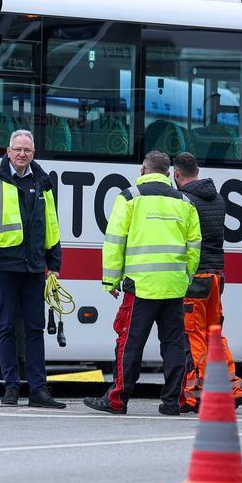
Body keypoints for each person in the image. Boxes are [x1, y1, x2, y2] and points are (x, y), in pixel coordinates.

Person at [84, 151, 200, 416]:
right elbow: (194, 247)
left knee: (130, 343)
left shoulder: (129, 198)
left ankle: (117, 400)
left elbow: (114, 242)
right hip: (173, 286)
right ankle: (171, 402)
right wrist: (186, 278)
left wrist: (111, 280)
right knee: (173, 344)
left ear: (143, 171)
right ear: (169, 173)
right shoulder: (184, 202)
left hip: (140, 286)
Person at [0, 129, 66, 408]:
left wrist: (54, 263)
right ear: (8, 151)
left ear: (33, 154)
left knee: (35, 329)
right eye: (18, 150)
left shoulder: (43, 181)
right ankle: (10, 388)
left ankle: (38, 390)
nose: (22, 154)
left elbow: (51, 225)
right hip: (4, 266)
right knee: (6, 326)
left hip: (34, 267)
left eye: (27, 150)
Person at [172, 152, 242, 410]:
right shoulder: (218, 199)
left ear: (176, 174)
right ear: (198, 169)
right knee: (215, 335)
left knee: (193, 335)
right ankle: (233, 387)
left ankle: (195, 394)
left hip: (196, 277)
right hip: (216, 276)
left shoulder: (184, 201)